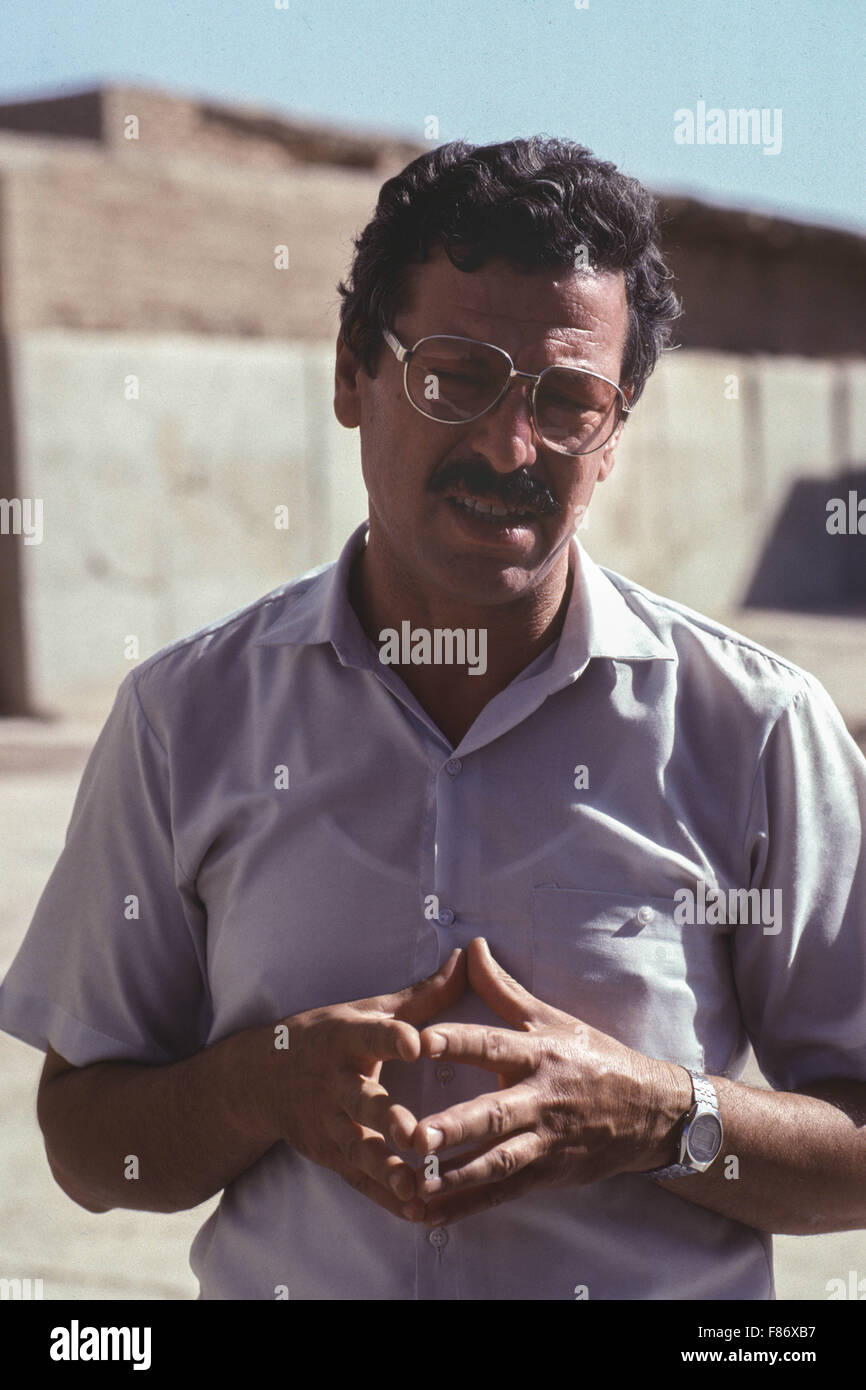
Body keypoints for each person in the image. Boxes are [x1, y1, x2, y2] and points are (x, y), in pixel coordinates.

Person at [1, 138, 864, 1301]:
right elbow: (88, 1144)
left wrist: (662, 1116)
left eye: (567, 401)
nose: (509, 447)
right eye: (455, 375)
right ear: (354, 375)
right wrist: (262, 1086)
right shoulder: (183, 719)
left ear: (611, 436)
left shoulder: (755, 729)